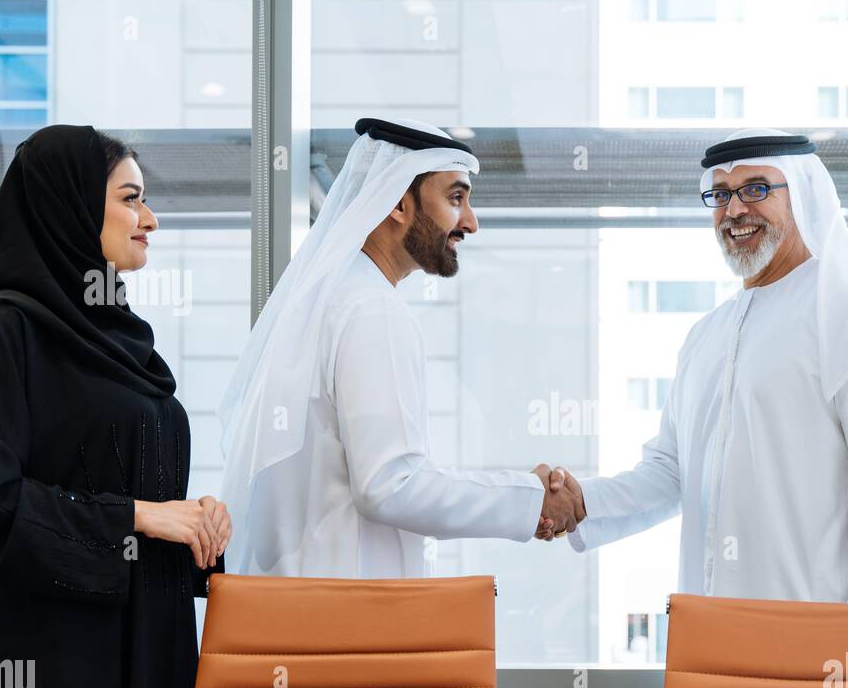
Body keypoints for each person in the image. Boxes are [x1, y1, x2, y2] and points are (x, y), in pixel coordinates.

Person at [0, 125, 230, 688]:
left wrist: (196, 524)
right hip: (61, 686)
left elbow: (136, 495)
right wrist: (136, 516)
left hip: (154, 667)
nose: (149, 219)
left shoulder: (120, 340)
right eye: (131, 198)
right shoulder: (1, 330)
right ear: (67, 205)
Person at [551, 129, 848, 605]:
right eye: (721, 195)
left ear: (802, 193)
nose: (734, 210)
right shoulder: (706, 335)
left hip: (815, 645)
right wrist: (581, 503)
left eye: (757, 189)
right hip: (705, 637)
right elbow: (672, 472)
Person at [219, 117, 583, 578]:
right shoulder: (371, 308)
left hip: (305, 610)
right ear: (397, 203)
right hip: (340, 625)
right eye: (456, 198)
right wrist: (528, 498)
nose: (470, 222)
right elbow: (389, 485)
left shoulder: (336, 295)